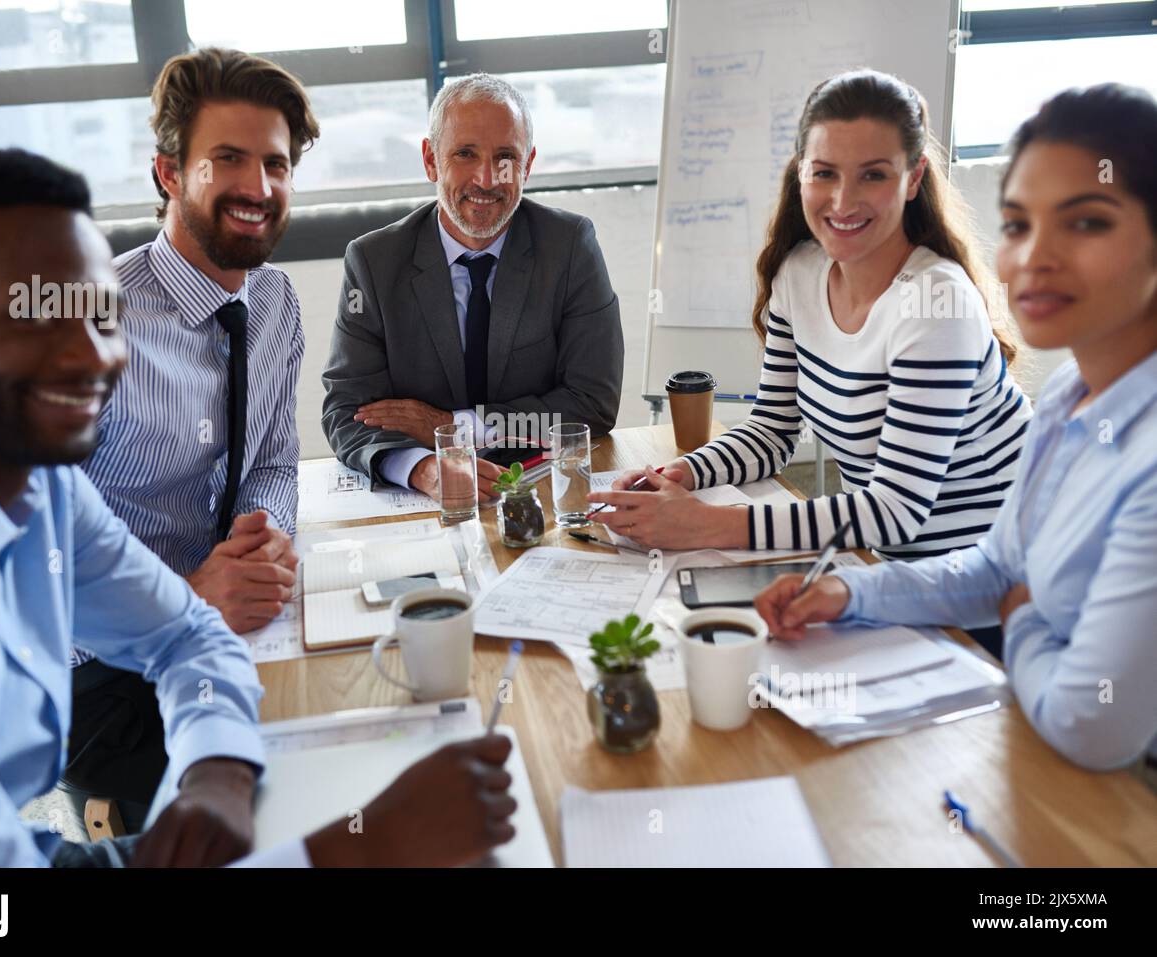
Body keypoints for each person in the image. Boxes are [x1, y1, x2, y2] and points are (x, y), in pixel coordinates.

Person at [0, 146, 517, 866]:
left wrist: (218, 769)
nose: (98, 356)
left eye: (101, 313)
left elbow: (186, 635)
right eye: (41, 314)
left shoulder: (37, 481)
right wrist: (363, 849)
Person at [754, 84, 1157, 773]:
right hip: (1034, 730)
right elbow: (996, 567)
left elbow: (1091, 720)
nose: (1035, 257)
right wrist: (850, 592)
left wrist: (1019, 617)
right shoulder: (1067, 397)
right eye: (1019, 224)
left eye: (1086, 222)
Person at [588, 70, 1031, 567]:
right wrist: (676, 476)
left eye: (874, 174)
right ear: (801, 173)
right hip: (898, 570)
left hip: (1004, 578)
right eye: (824, 172)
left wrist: (707, 524)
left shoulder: (935, 302)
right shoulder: (798, 274)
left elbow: (897, 511)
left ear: (914, 179)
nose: (843, 201)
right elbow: (773, 431)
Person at [64, 48, 315, 831]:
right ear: (170, 173)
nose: (258, 188)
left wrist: (265, 533)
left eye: (276, 163)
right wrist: (182, 600)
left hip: (241, 630)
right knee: (262, 828)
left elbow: (274, 458)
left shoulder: (276, 302)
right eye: (228, 160)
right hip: (109, 679)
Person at [321, 73, 623, 501]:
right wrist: (423, 468)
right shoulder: (373, 261)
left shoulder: (570, 246)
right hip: (428, 502)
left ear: (528, 165)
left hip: (544, 490)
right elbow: (347, 411)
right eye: (465, 153)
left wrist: (454, 426)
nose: (486, 179)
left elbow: (592, 405)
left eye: (505, 157)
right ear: (430, 160)